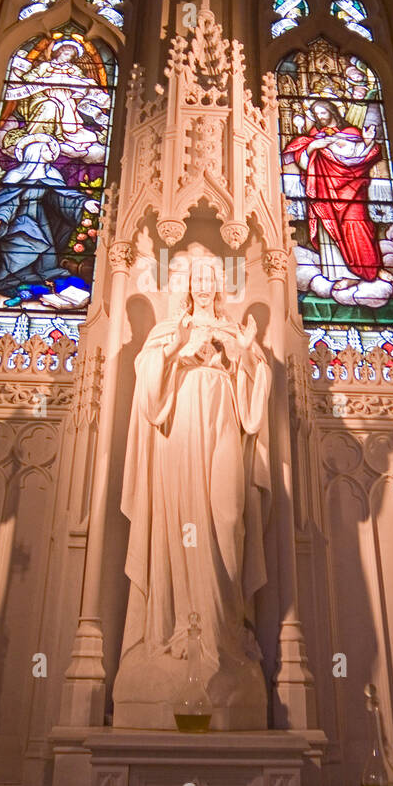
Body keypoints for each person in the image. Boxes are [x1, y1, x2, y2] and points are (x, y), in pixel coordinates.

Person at [119, 259, 271, 674]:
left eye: (211, 279)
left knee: (227, 515)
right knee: (184, 515)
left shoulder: (234, 330)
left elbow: (257, 397)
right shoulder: (167, 330)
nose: (203, 285)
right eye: (197, 279)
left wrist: (243, 357)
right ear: (187, 286)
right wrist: (176, 351)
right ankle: (185, 623)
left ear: (220, 286)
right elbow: (148, 386)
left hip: (222, 419)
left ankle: (225, 627)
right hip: (181, 423)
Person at [0, 137, 98, 301]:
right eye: (47, 149)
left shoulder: (52, 174)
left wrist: (84, 202)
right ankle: (14, 283)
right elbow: (8, 201)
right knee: (25, 247)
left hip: (41, 217)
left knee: (47, 258)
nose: (52, 152)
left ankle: (40, 285)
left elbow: (62, 197)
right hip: (18, 219)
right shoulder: (16, 175)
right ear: (36, 152)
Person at [283, 99, 384, 283]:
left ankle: (362, 272)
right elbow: (304, 163)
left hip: (351, 190)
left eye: (323, 113)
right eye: (317, 114)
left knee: (356, 226)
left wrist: (368, 142)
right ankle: (339, 274)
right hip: (324, 192)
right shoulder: (314, 135)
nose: (320, 117)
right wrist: (314, 146)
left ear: (332, 111)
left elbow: (360, 157)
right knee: (328, 231)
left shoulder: (352, 133)